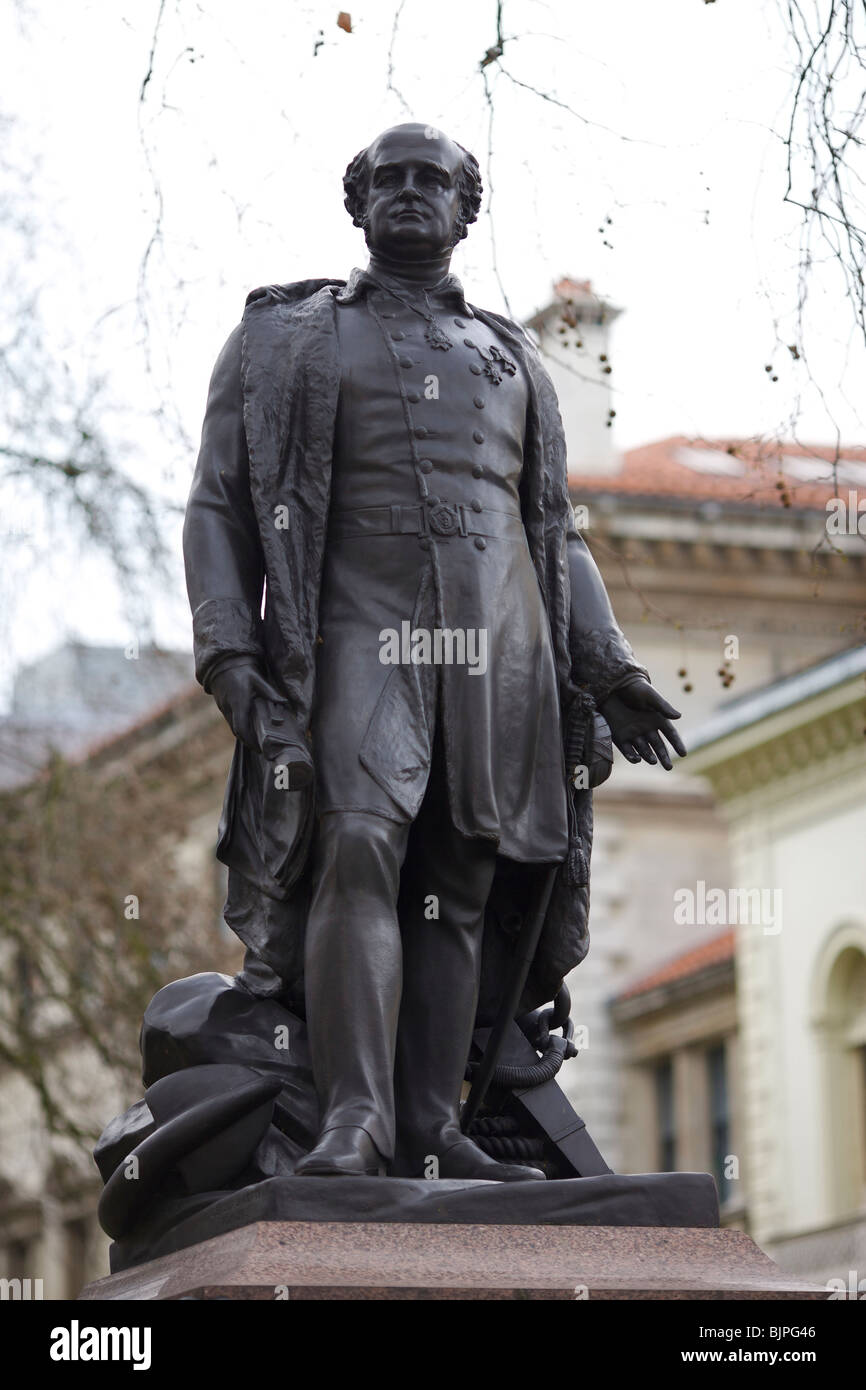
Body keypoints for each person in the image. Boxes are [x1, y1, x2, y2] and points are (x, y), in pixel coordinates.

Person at [183, 123, 685, 1183]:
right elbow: (217, 505)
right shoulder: (284, 337)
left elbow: (553, 534)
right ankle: (351, 1122)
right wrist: (231, 655)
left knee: (457, 881)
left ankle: (431, 1127)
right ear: (357, 201)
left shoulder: (512, 360)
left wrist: (608, 669)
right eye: (390, 179)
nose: (411, 194)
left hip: (497, 654)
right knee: (358, 843)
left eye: (435, 181)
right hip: (354, 631)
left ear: (467, 208)